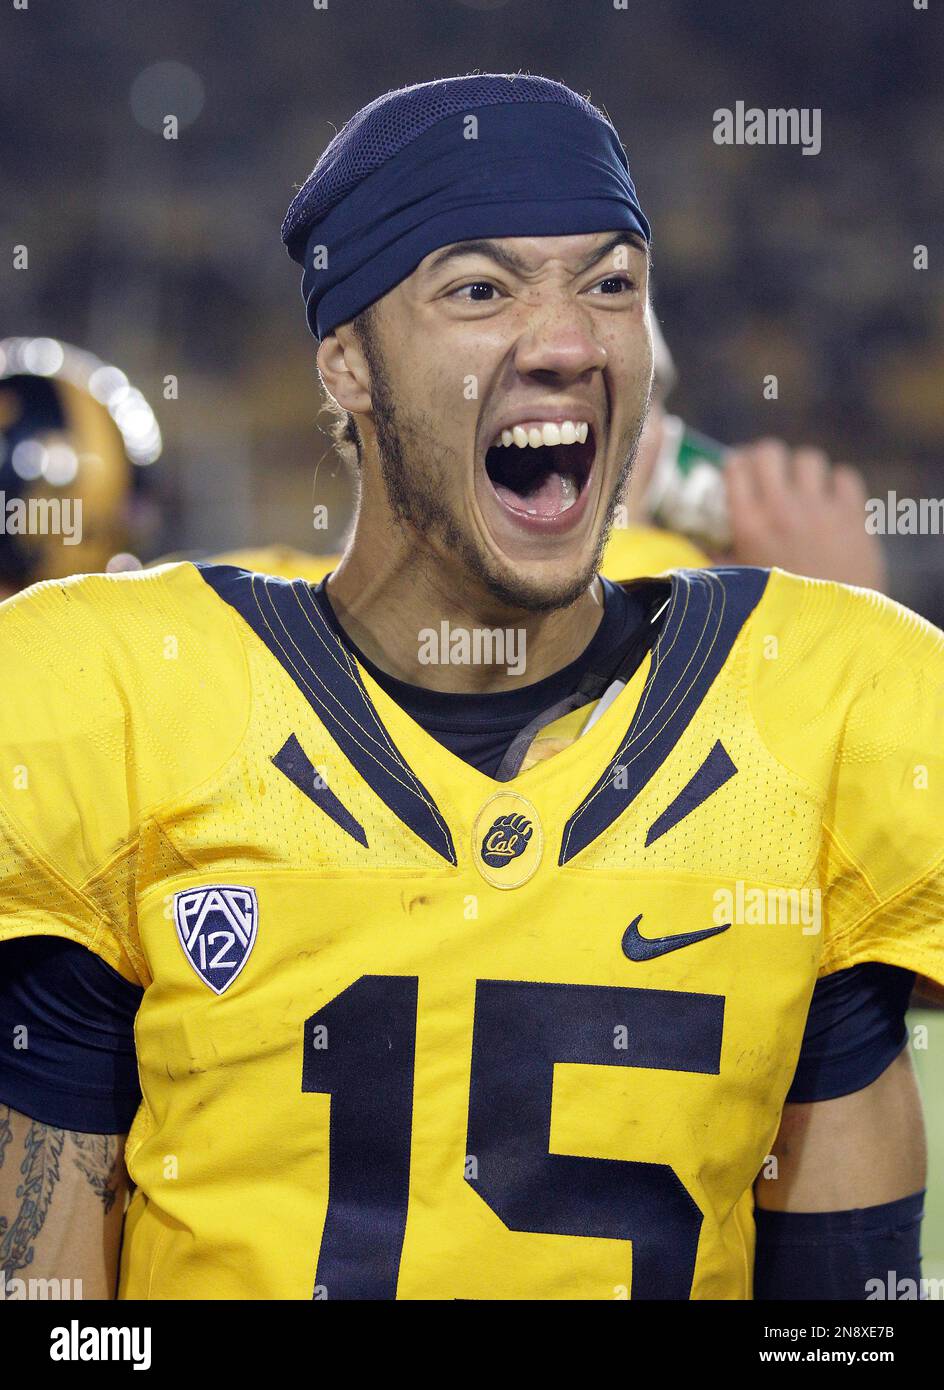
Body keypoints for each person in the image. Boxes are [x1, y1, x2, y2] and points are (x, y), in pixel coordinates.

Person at [0, 73, 939, 1301]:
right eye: (480, 290)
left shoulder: (823, 705)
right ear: (344, 363)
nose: (563, 340)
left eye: (609, 283)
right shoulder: (112, 701)